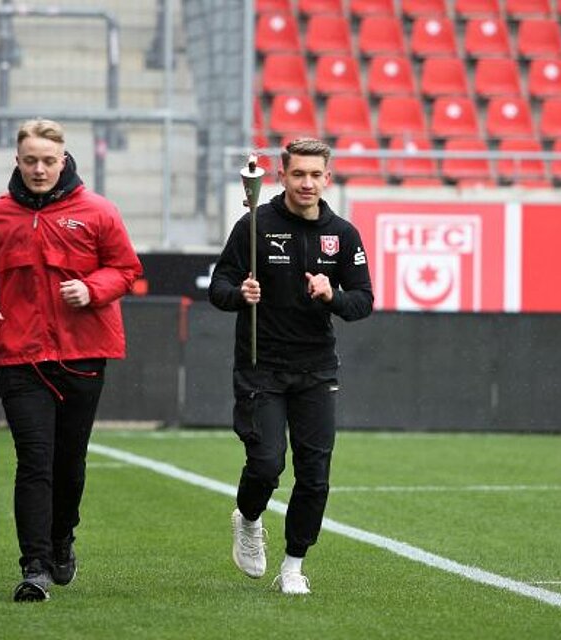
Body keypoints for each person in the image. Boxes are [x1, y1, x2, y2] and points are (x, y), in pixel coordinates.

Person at [0, 118, 143, 602]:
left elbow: (126, 269)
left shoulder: (99, 211)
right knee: (34, 460)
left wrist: (93, 287)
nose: (39, 169)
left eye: (48, 161)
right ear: (17, 161)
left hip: (83, 354)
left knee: (69, 462)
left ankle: (62, 539)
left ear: (65, 160)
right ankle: (34, 566)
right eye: (30, 160)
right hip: (20, 356)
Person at [208, 138, 373, 595]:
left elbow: (362, 301)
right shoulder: (254, 225)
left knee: (315, 474)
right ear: (282, 176)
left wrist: (331, 295)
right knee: (265, 464)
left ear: (327, 178)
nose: (306, 182)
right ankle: (249, 516)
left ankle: (294, 566)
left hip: (317, 369)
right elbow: (218, 285)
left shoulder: (343, 234)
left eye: (315, 175)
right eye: (298, 174)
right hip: (261, 366)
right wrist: (240, 293)